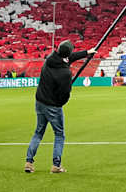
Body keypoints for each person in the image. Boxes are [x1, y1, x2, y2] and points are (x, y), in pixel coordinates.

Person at [24, 40, 94, 174]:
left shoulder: (51, 58)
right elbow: (65, 94)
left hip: (40, 102)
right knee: (59, 135)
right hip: (54, 106)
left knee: (38, 132)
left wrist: (86, 53)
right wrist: (61, 103)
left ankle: (29, 162)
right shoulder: (65, 74)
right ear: (67, 54)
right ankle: (56, 165)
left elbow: (68, 59)